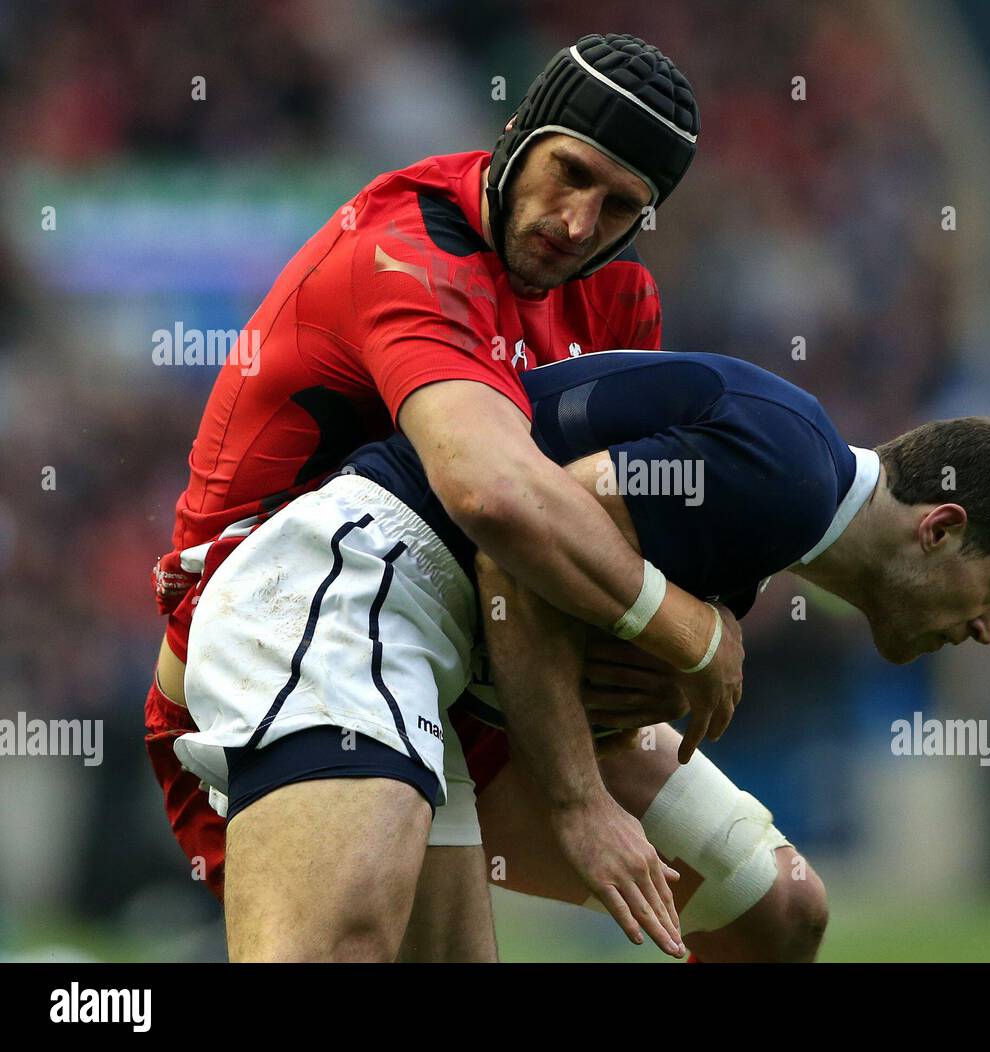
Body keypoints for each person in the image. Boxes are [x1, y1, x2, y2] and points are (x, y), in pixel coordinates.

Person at [172, 350, 990, 961]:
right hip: (353, 584)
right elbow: (522, 536)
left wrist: (662, 653)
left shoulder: (778, 515)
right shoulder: (788, 474)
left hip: (439, 663)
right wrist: (582, 804)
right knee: (336, 949)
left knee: (781, 910)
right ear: (940, 528)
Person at [144, 35, 738, 923]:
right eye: (571, 173)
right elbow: (492, 494)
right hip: (277, 636)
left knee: (775, 904)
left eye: (621, 205)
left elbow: (612, 522)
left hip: (456, 649)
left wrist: (679, 635)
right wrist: (689, 633)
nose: (579, 223)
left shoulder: (618, 296)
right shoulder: (407, 252)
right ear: (518, 133)